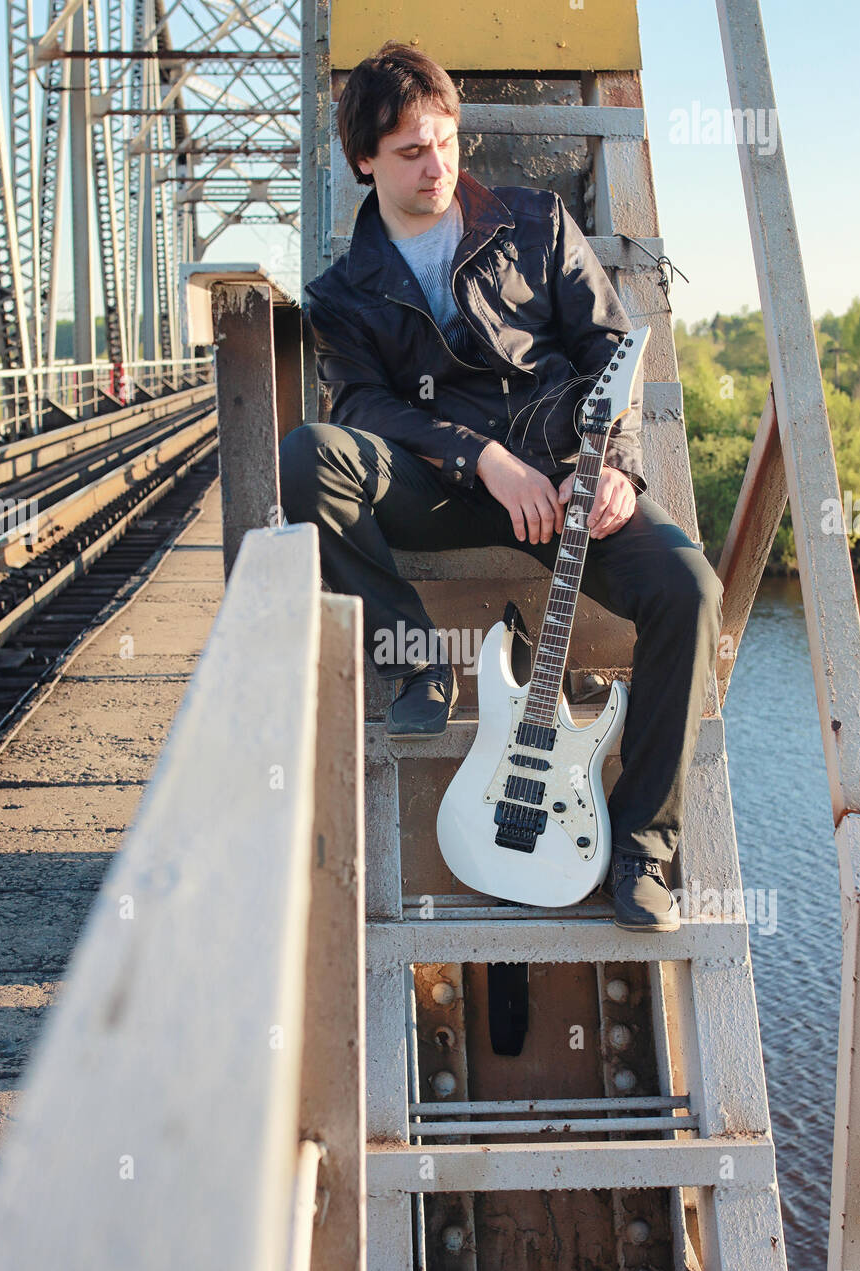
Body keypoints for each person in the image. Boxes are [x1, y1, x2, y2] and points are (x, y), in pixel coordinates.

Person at [279, 41, 724, 931]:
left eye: (445, 141)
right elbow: (365, 402)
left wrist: (615, 469)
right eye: (409, 151)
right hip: (442, 486)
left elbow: (610, 350)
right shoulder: (341, 291)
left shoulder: (537, 222)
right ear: (364, 160)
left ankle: (644, 851)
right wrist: (481, 457)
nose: (436, 165)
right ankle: (411, 659)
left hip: (565, 480)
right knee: (309, 454)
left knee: (691, 589)